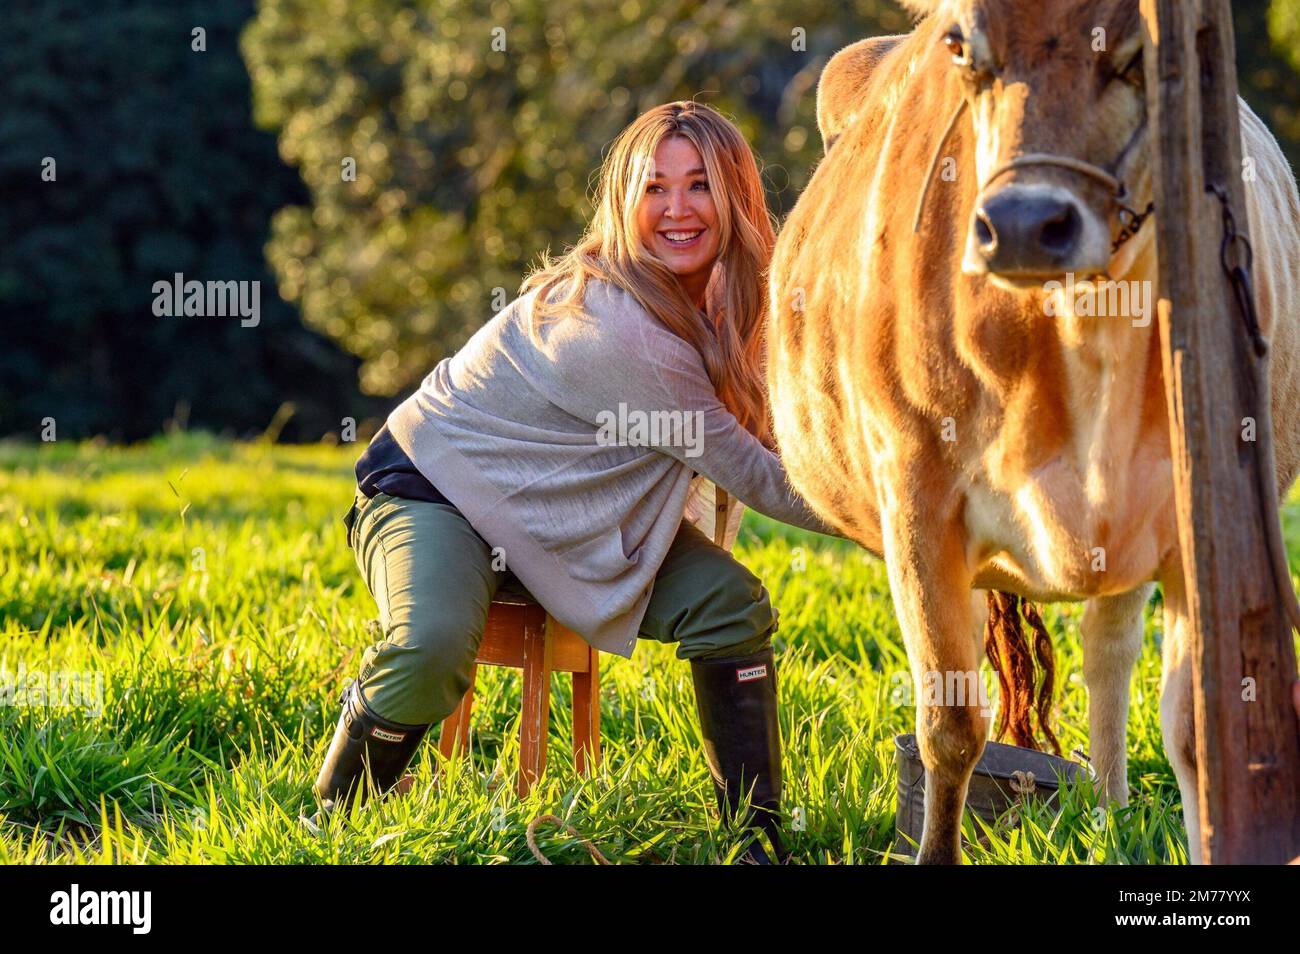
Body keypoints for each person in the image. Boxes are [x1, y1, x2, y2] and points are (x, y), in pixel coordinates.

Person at [310, 101, 838, 863]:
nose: (678, 210)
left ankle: (754, 846)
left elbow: (795, 419)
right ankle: (332, 824)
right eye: (655, 188)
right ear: (624, 199)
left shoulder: (727, 300)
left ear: (737, 198)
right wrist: (908, 526)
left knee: (729, 606)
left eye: (700, 186)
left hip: (577, 510)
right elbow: (758, 472)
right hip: (441, 486)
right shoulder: (623, 327)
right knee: (429, 648)